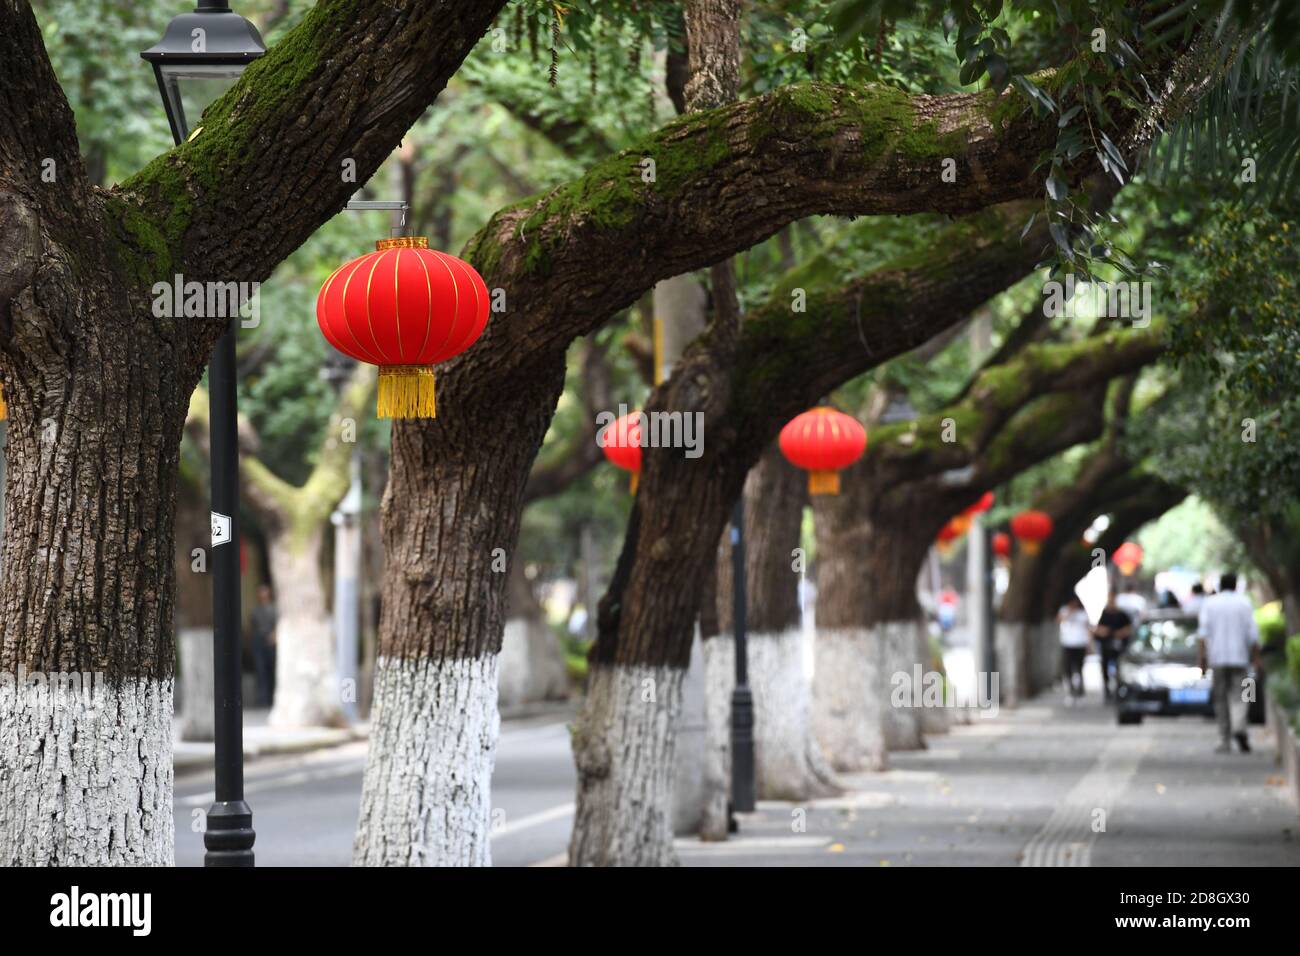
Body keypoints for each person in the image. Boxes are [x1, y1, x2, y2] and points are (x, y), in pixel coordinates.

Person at [1197, 572, 1261, 754]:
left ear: (1220, 586)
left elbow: (1202, 636)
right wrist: (1256, 657)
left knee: (1220, 699)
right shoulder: (1244, 603)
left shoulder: (1210, 604)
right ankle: (1239, 727)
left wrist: (1202, 662)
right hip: (1240, 658)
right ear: (1234, 585)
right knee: (1244, 695)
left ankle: (1224, 739)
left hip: (1217, 658)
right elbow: (1253, 634)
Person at [1092, 591, 1133, 700]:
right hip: (1106, 646)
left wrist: (1119, 633)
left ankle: (1119, 690)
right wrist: (1104, 631)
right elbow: (1098, 629)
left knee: (1120, 668)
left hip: (1119, 646)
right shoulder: (1104, 614)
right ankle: (1107, 690)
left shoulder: (1122, 614)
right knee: (1105, 668)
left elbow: (1129, 628)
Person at [1057, 595, 1091, 702]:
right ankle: (1071, 689)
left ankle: (1080, 689)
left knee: (1079, 667)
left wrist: (1090, 644)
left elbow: (1088, 628)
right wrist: (1070, 612)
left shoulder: (1082, 613)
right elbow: (1059, 619)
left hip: (1080, 644)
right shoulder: (1065, 611)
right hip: (1068, 644)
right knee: (1068, 668)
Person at [250, 583, 278, 709]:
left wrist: (274, 635)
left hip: (271, 641)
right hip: (259, 641)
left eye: (264, 591)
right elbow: (253, 627)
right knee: (261, 671)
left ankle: (272, 699)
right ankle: (263, 700)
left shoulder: (274, 609)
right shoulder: (255, 611)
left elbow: (278, 624)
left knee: (272, 670)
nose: (262, 594)